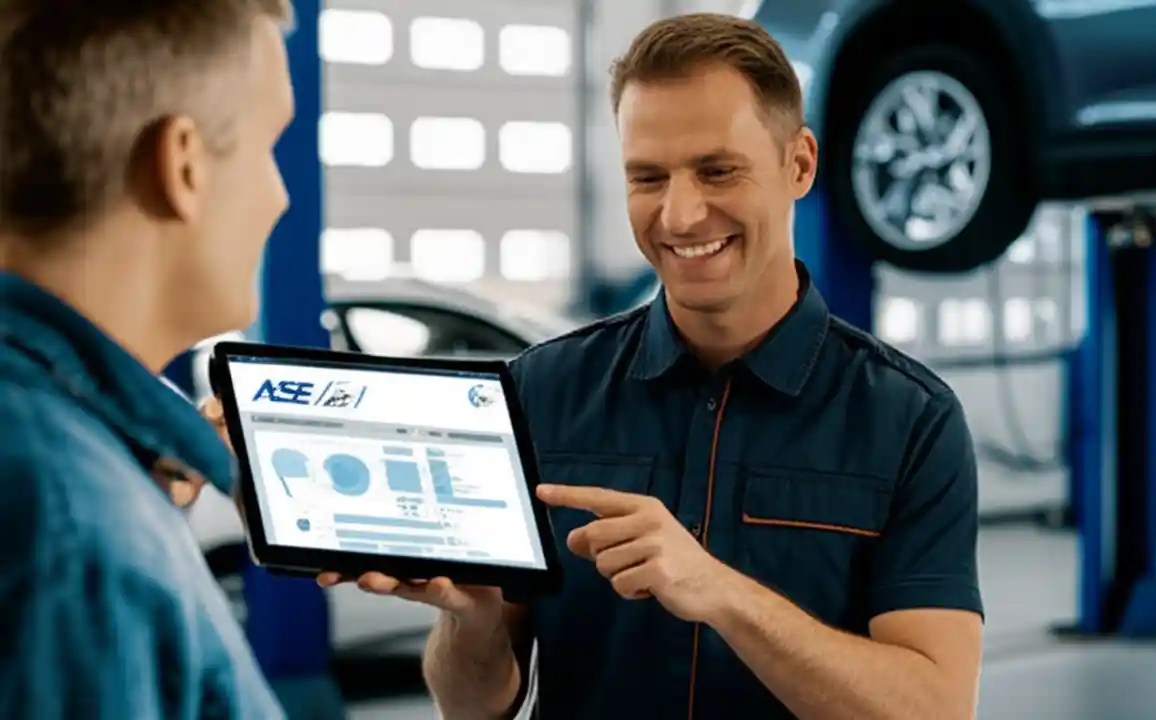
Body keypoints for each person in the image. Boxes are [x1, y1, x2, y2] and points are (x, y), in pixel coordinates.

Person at [322, 12, 985, 720]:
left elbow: (936, 708)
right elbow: (471, 707)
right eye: (648, 177)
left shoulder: (910, 421)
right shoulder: (537, 394)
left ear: (799, 164)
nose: (679, 213)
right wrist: (472, 621)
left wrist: (723, 594)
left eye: (717, 170)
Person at [0, 1, 296, 717]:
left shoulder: (57, 454)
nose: (281, 196)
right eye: (268, 145)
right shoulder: (74, 538)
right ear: (183, 164)